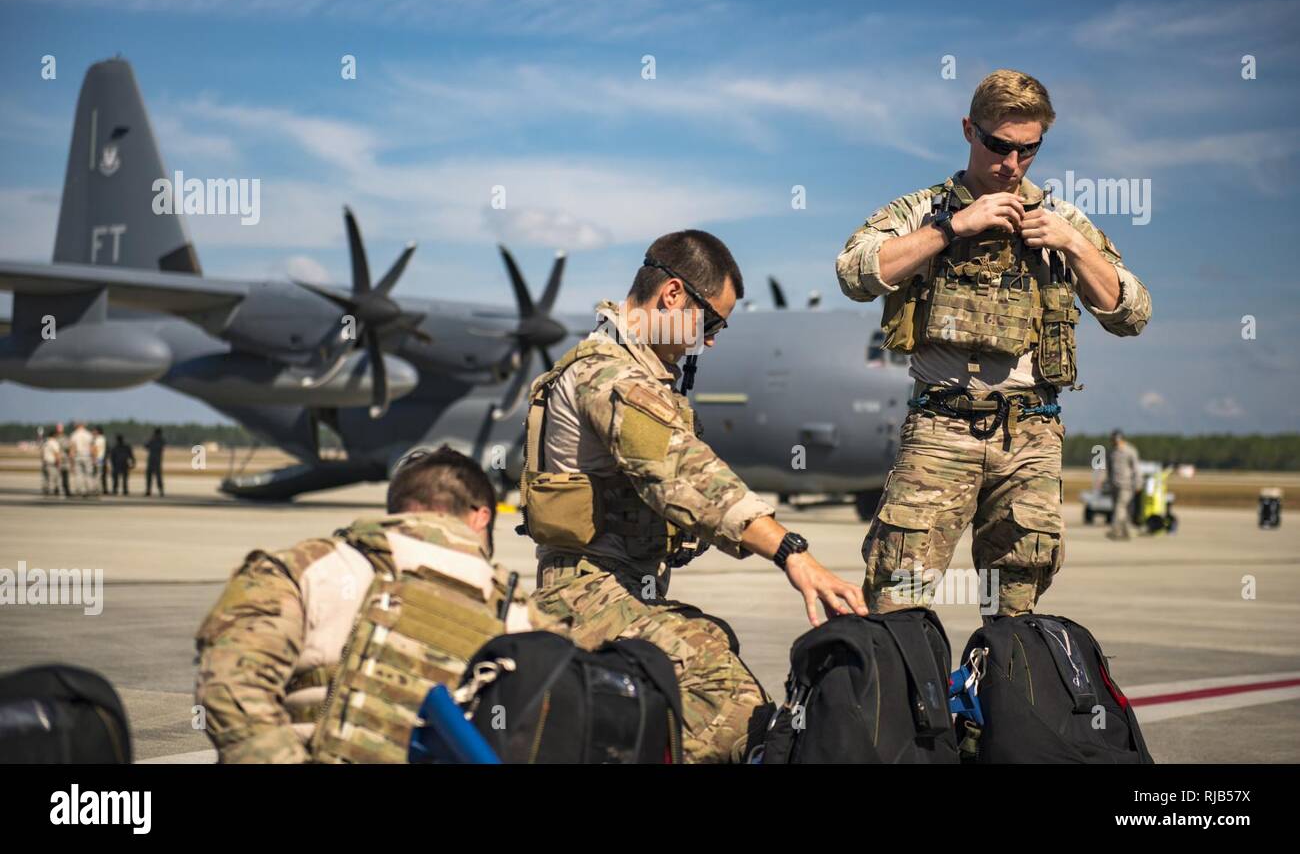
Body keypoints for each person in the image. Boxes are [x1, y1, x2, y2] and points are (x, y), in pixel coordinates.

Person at [522, 229, 867, 764]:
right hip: (583, 597)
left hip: (623, 590)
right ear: (674, 295)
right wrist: (790, 552)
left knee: (712, 641)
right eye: (711, 323)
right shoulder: (607, 374)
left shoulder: (639, 373)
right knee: (733, 713)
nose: (709, 341)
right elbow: (682, 473)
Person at [836, 69, 1151, 616]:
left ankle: (999, 695)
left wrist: (1074, 245)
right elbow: (855, 274)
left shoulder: (1061, 220)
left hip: (1030, 437)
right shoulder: (924, 210)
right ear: (968, 130)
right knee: (896, 601)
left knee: (1016, 610)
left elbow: (1132, 313)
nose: (1010, 164)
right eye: (998, 146)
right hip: (941, 430)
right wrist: (952, 228)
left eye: (1027, 150)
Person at [195, 445, 539, 764]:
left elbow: (230, 687)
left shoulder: (307, 568)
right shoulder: (522, 617)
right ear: (481, 518)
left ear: (398, 508)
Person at [1106, 429, 1141, 541]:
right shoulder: (1112, 452)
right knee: (1123, 510)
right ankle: (1127, 533)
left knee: (1119, 508)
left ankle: (1115, 530)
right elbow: (1109, 469)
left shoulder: (1130, 451)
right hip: (1115, 485)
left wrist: (1138, 483)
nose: (1114, 442)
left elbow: (1136, 469)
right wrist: (1108, 482)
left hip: (1127, 486)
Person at [68, 421, 96, 497]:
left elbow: (72, 449)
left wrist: (71, 461)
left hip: (78, 456)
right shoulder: (88, 434)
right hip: (87, 456)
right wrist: (94, 458)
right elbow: (92, 448)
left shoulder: (74, 435)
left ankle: (80, 490)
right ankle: (90, 489)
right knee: (89, 474)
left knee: (78, 474)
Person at [40, 427, 62, 497]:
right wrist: (58, 462)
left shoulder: (45, 442)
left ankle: (46, 490)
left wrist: (43, 461)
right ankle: (53, 490)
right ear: (54, 435)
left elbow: (42, 453)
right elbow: (56, 453)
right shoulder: (54, 443)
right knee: (54, 478)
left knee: (46, 478)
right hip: (52, 462)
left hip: (45, 462)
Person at [144, 428, 165, 496]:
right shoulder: (159, 440)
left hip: (154, 461)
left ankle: (157, 491)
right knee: (152, 477)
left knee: (154, 477)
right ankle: (151, 490)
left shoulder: (158, 440)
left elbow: (146, 446)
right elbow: (146, 446)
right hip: (155, 461)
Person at [93, 426, 108, 495]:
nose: (93, 432)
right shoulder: (103, 438)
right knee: (99, 474)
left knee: (97, 474)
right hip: (101, 458)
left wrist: (94, 458)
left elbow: (95, 449)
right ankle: (98, 488)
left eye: (94, 430)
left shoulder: (98, 439)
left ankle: (96, 488)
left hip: (98, 458)